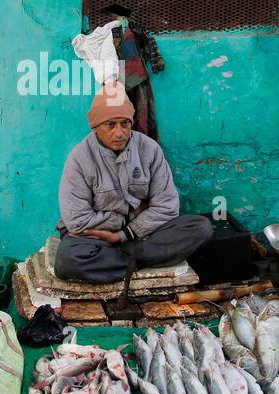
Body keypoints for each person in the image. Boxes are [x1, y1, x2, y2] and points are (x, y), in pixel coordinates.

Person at [54, 85, 213, 283]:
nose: (119, 133)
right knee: (68, 261)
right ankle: (141, 258)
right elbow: (77, 220)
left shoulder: (149, 149)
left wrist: (124, 235)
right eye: (110, 125)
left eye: (125, 124)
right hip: (95, 239)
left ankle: (122, 260)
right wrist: (123, 221)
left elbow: (167, 207)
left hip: (139, 232)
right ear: (95, 127)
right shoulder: (79, 158)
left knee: (201, 227)